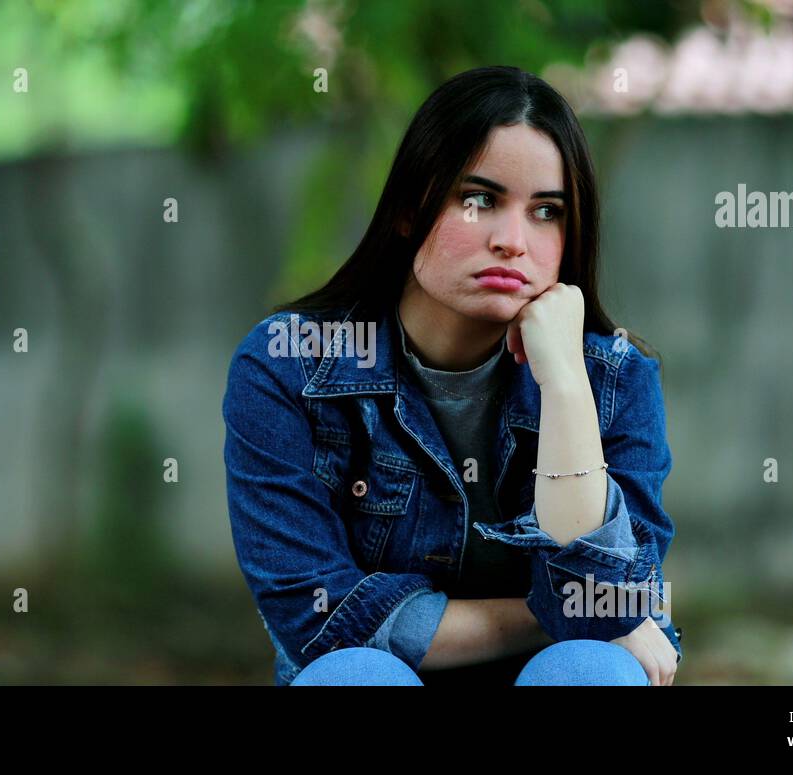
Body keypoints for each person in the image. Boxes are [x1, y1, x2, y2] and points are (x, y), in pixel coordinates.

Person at [223, 65, 682, 686]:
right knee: (352, 676)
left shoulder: (615, 378)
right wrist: (563, 611)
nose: (513, 241)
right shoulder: (287, 367)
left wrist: (567, 385)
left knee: (589, 666)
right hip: (377, 674)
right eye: (480, 201)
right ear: (411, 208)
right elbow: (322, 620)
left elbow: (602, 602)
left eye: (546, 211)